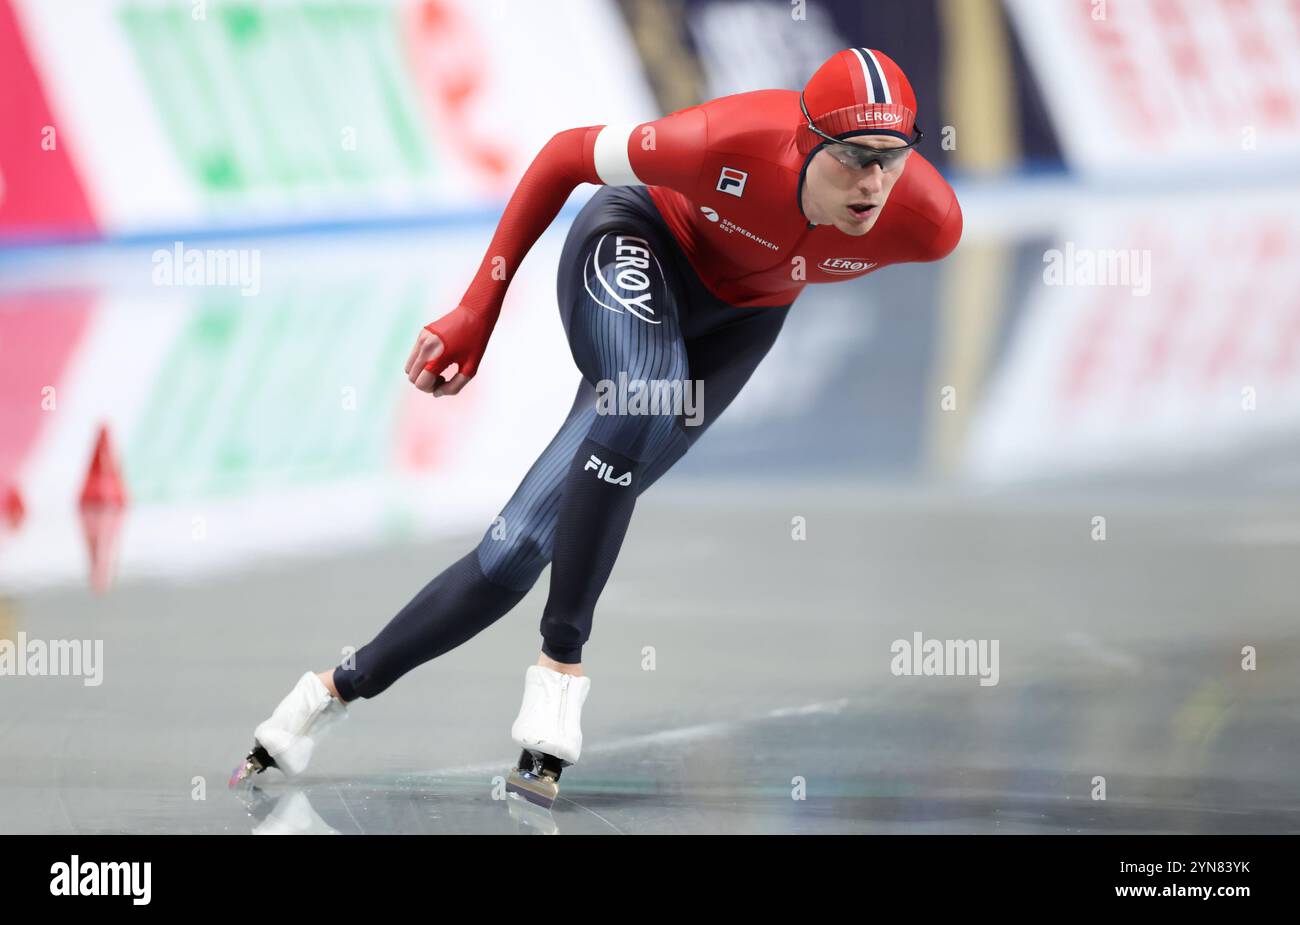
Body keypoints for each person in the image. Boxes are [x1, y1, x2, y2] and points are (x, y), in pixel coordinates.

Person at [232, 47, 962, 799]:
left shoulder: (927, 222)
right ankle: (560, 666)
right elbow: (562, 157)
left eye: (891, 159)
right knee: (644, 390)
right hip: (636, 243)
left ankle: (330, 692)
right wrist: (477, 308)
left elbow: (873, 209)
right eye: (852, 158)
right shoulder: (722, 142)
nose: (873, 183)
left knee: (518, 549)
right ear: (806, 141)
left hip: (740, 328)